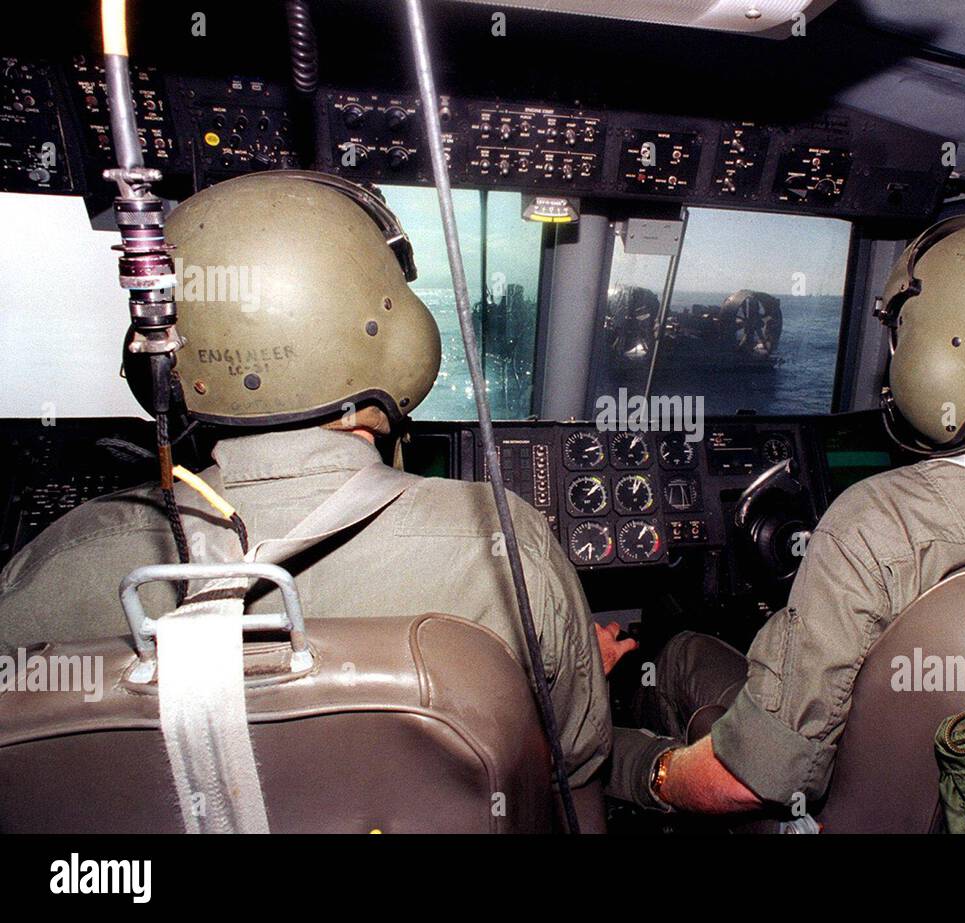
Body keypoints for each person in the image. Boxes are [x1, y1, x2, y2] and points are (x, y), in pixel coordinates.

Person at [0, 170, 611, 791]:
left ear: (160, 364)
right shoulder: (505, 551)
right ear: (400, 340)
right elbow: (574, 760)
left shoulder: (45, 571)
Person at [610, 215, 965, 815]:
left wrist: (633, 767)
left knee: (679, 656)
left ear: (942, 350)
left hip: (855, 808)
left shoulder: (881, 521)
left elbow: (752, 783)